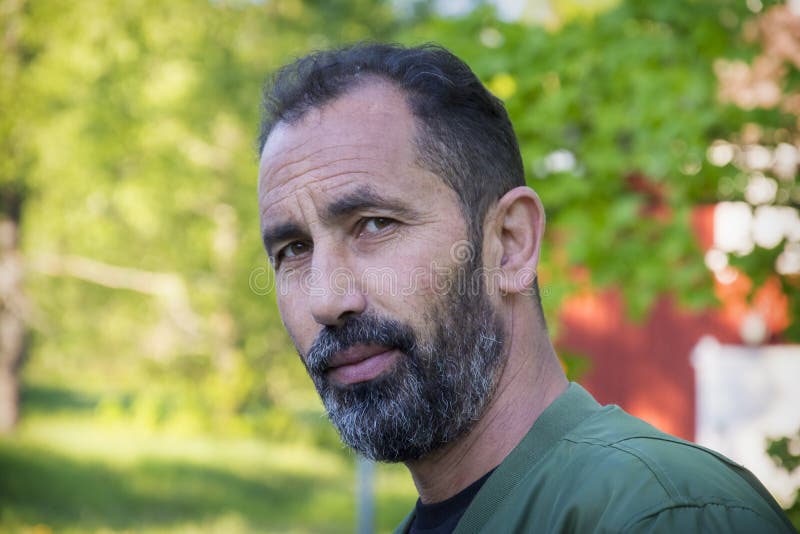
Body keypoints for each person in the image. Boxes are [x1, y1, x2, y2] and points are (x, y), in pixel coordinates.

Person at [256, 43, 794, 533]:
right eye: (293, 250)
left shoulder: (660, 514)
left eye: (375, 224)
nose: (326, 299)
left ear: (510, 243)